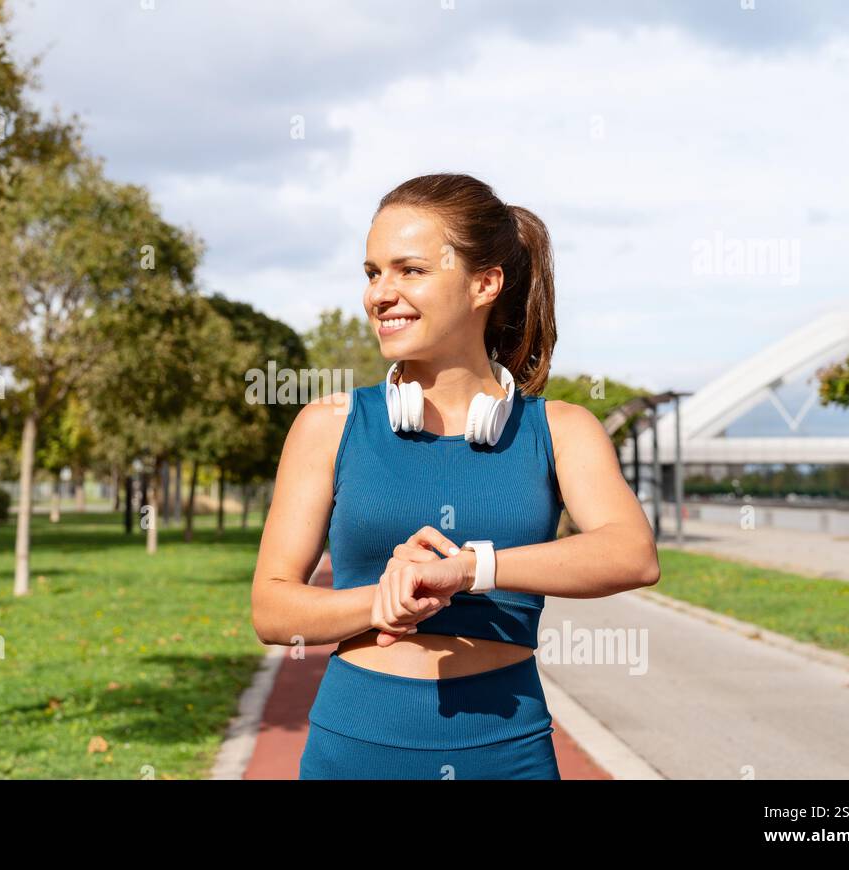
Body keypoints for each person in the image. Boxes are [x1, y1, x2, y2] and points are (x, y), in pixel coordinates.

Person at [251, 172, 660, 780]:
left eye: (409, 270)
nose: (379, 294)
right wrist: (387, 601)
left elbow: (632, 554)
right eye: (372, 272)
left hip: (507, 753)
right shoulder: (328, 424)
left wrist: (469, 569)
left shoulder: (563, 428)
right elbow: (272, 608)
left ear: (484, 283)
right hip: (355, 747)